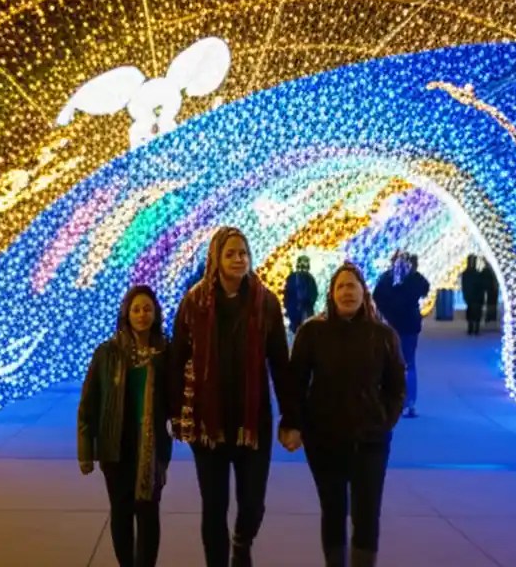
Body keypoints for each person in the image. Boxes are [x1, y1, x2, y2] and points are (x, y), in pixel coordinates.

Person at [169, 226, 293, 567]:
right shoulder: (194, 302)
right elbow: (177, 361)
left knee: (253, 503)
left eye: (243, 253)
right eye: (231, 253)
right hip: (209, 425)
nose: (239, 259)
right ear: (216, 259)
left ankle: (242, 541)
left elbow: (280, 364)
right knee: (214, 505)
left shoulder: (265, 302)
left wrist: (291, 418)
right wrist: (174, 413)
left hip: (253, 423)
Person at [282, 262, 406, 567]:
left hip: (370, 442)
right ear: (331, 293)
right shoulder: (312, 332)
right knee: (333, 511)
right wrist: (295, 424)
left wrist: (383, 420)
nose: (348, 292)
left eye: (353, 286)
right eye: (341, 286)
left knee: (367, 514)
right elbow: (295, 384)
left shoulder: (384, 335)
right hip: (324, 440)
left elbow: (396, 387)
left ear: (364, 292)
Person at [78, 284, 173, 567]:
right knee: (121, 511)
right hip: (115, 445)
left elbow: (176, 396)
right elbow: (89, 402)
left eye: (147, 309)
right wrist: (85, 449)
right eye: (136, 309)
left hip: (152, 447)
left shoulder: (165, 353)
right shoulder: (108, 353)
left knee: (148, 511)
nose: (142, 314)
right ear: (126, 314)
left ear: (155, 313)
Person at [371, 251, 429, 418]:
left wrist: (384, 313)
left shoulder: (386, 279)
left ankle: (389, 400)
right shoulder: (415, 278)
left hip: (389, 327)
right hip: (410, 327)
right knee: (409, 364)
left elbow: (377, 298)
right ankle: (409, 403)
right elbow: (425, 289)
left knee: (388, 363)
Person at [282, 254, 319, 334]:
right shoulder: (292, 277)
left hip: (305, 310)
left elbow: (314, 294)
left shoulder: (309, 278)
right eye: (302, 263)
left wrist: (308, 303)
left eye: (305, 263)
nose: (303, 266)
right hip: (294, 310)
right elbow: (287, 294)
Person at [460, 255, 486, 336]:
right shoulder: (474, 274)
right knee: (473, 312)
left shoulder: (470, 274)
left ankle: (473, 328)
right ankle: (473, 328)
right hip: (473, 296)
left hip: (474, 296)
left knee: (473, 312)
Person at [481, 259, 500, 325]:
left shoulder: (486, 270)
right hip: (492, 289)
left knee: (491, 303)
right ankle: (491, 316)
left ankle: (490, 316)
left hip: (491, 289)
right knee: (492, 303)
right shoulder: (492, 270)